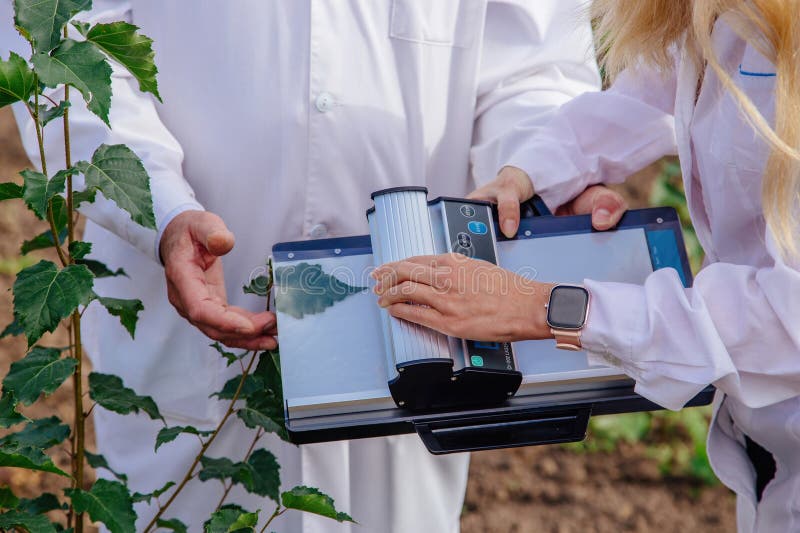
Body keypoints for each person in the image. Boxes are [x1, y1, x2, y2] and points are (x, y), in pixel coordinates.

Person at [0, 1, 627, 530]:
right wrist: (160, 209)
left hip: (419, 329)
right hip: (191, 311)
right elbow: (64, 42)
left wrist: (538, 173)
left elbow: (532, 66)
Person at [373, 1, 800, 531]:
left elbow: (790, 319)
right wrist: (533, 171)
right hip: (768, 451)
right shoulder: (727, 12)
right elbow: (661, 77)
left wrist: (545, 308)